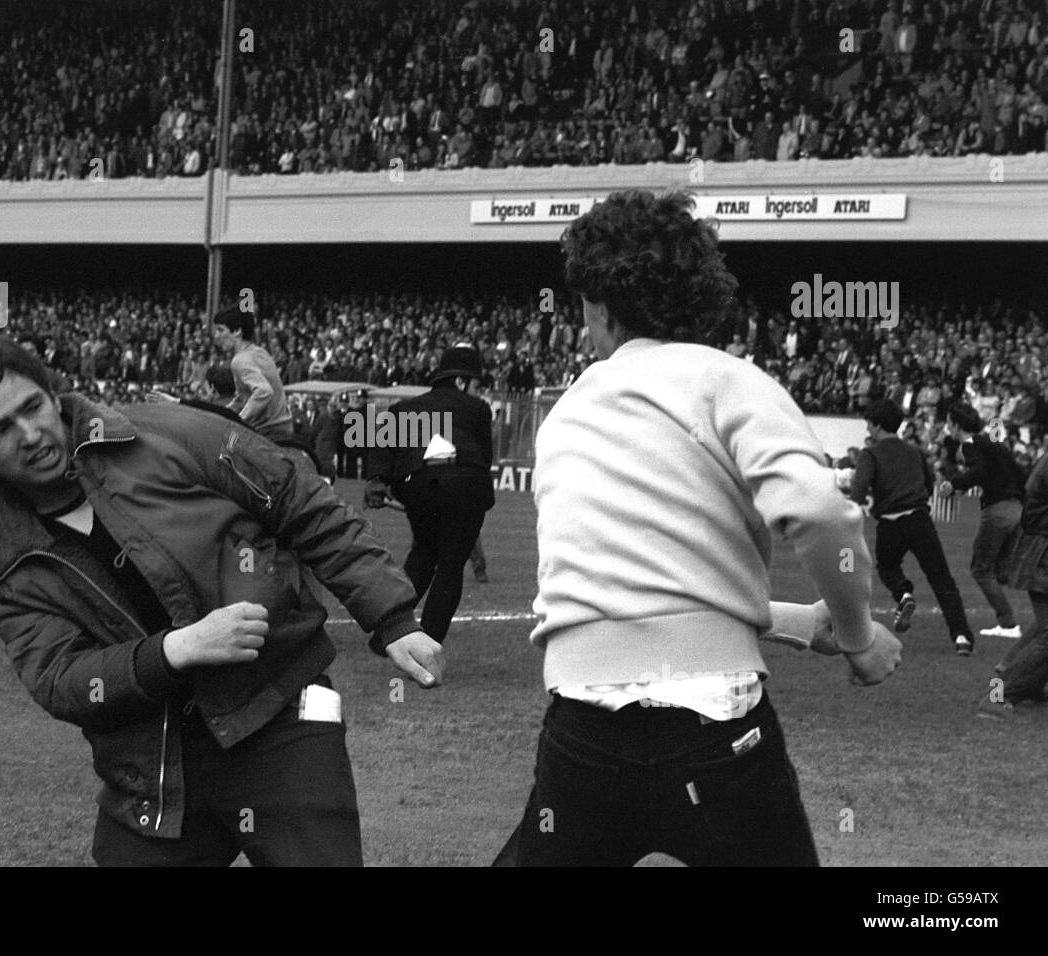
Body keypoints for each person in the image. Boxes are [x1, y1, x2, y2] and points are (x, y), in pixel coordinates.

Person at [0, 335, 443, 866]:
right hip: (150, 766)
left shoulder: (169, 432)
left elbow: (299, 501)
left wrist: (393, 619)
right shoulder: (5, 572)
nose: (30, 435)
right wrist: (176, 650)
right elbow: (62, 681)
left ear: (53, 394)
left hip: (281, 708)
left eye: (32, 407)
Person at [498, 189, 900, 867]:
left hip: (583, 740)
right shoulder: (728, 381)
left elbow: (623, 586)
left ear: (600, 306)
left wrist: (796, 624)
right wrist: (857, 634)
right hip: (719, 737)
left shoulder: (566, 414)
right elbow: (819, 511)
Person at [365, 345, 495, 644]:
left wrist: (378, 480)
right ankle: (428, 643)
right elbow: (484, 459)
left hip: (418, 485)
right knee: (450, 565)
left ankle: (387, 633)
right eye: (476, 385)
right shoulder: (477, 409)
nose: (478, 392)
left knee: (423, 554)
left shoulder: (403, 409)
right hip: (465, 485)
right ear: (461, 381)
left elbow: (381, 443)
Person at [850, 399, 976, 655]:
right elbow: (928, 484)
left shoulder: (870, 454)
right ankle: (962, 636)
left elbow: (858, 491)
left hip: (889, 522)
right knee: (941, 578)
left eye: (869, 423)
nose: (867, 428)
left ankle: (903, 594)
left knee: (887, 567)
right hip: (919, 519)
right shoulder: (914, 451)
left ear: (876, 425)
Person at [938, 402, 1026, 640]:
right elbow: (1018, 474)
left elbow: (979, 471)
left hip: (997, 511)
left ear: (957, 425)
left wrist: (954, 484)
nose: (947, 427)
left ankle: (1008, 624)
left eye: (949, 422)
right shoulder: (994, 444)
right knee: (1003, 571)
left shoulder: (969, 445)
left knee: (981, 570)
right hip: (1017, 510)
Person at [978, 449, 1048, 719]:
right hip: (1042, 551)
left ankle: (1019, 678)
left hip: (1038, 547)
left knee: (1044, 626)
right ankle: (997, 696)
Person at [211, 305, 294, 441]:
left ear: (237, 331)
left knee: (223, 449)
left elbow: (264, 392)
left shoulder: (239, 361)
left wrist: (239, 419)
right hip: (286, 428)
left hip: (267, 432)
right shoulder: (259, 352)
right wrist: (222, 413)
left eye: (221, 330)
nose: (216, 336)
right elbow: (243, 397)